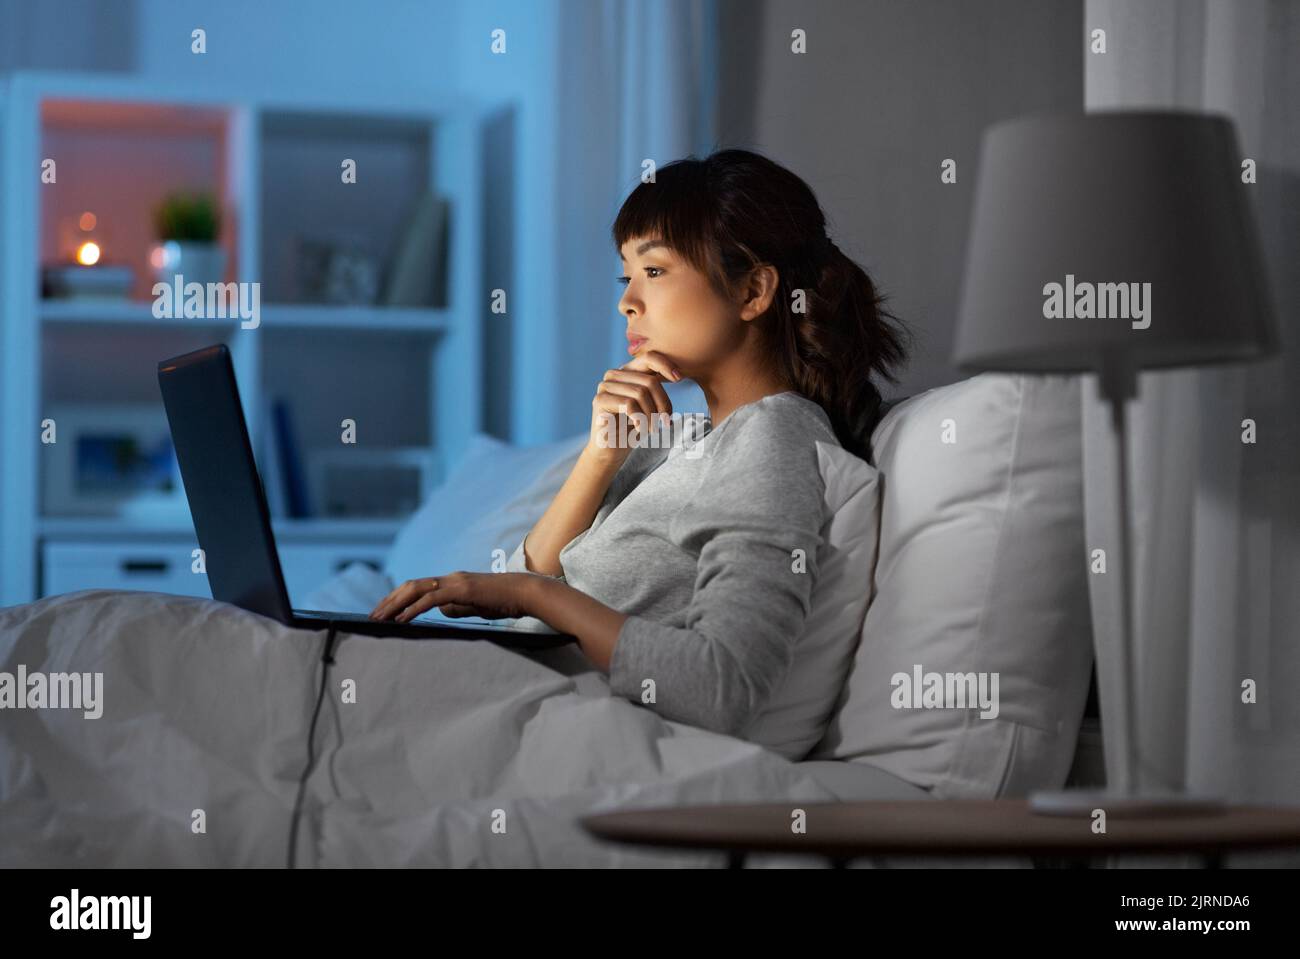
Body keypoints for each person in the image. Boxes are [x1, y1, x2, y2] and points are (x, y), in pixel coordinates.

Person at [371, 148, 912, 738]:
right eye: (626, 275)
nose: (626, 300)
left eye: (653, 271)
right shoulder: (677, 440)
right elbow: (543, 569)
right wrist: (601, 456)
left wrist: (528, 595)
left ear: (753, 290)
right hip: (503, 696)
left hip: (555, 729)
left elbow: (721, 686)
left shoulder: (773, 436)